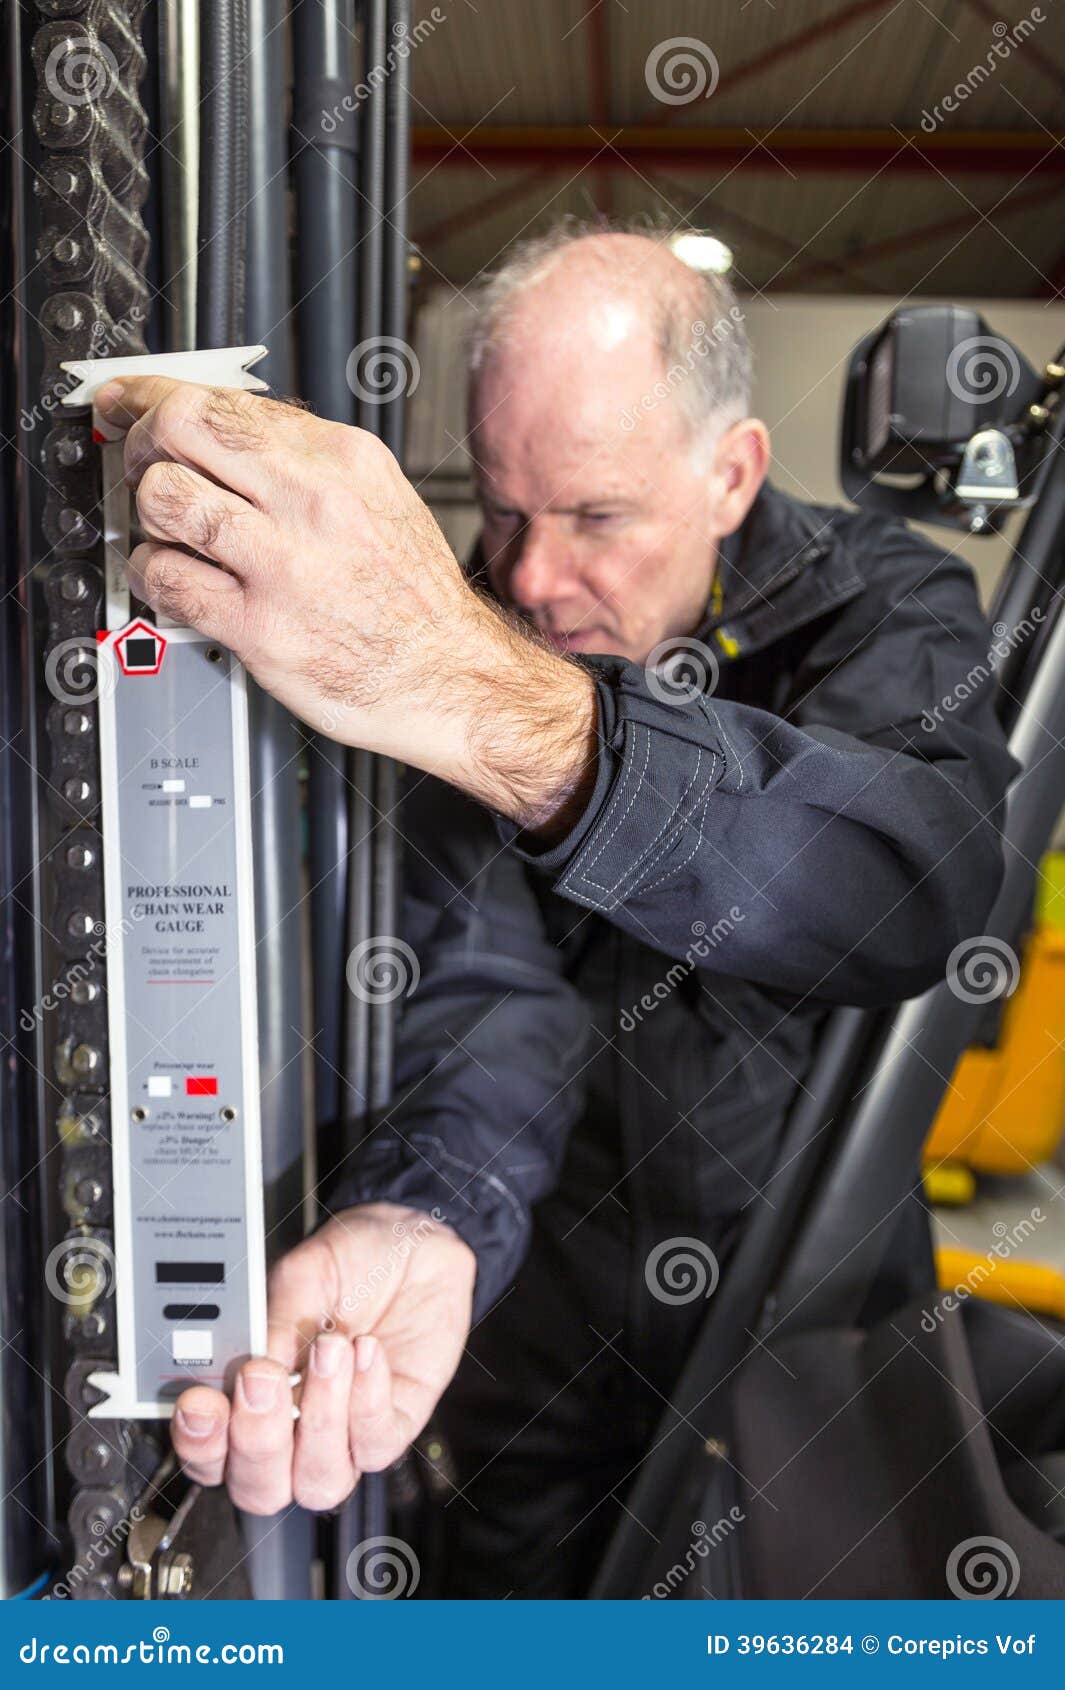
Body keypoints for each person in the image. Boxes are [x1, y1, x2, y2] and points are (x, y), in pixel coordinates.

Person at [93, 225, 1016, 1597]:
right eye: (504, 510)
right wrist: (430, 1216)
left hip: (810, 1340)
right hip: (520, 1350)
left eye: (592, 517)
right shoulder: (457, 624)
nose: (527, 579)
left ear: (731, 472)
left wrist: (508, 714)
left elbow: (902, 885)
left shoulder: (877, 608)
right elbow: (485, 998)